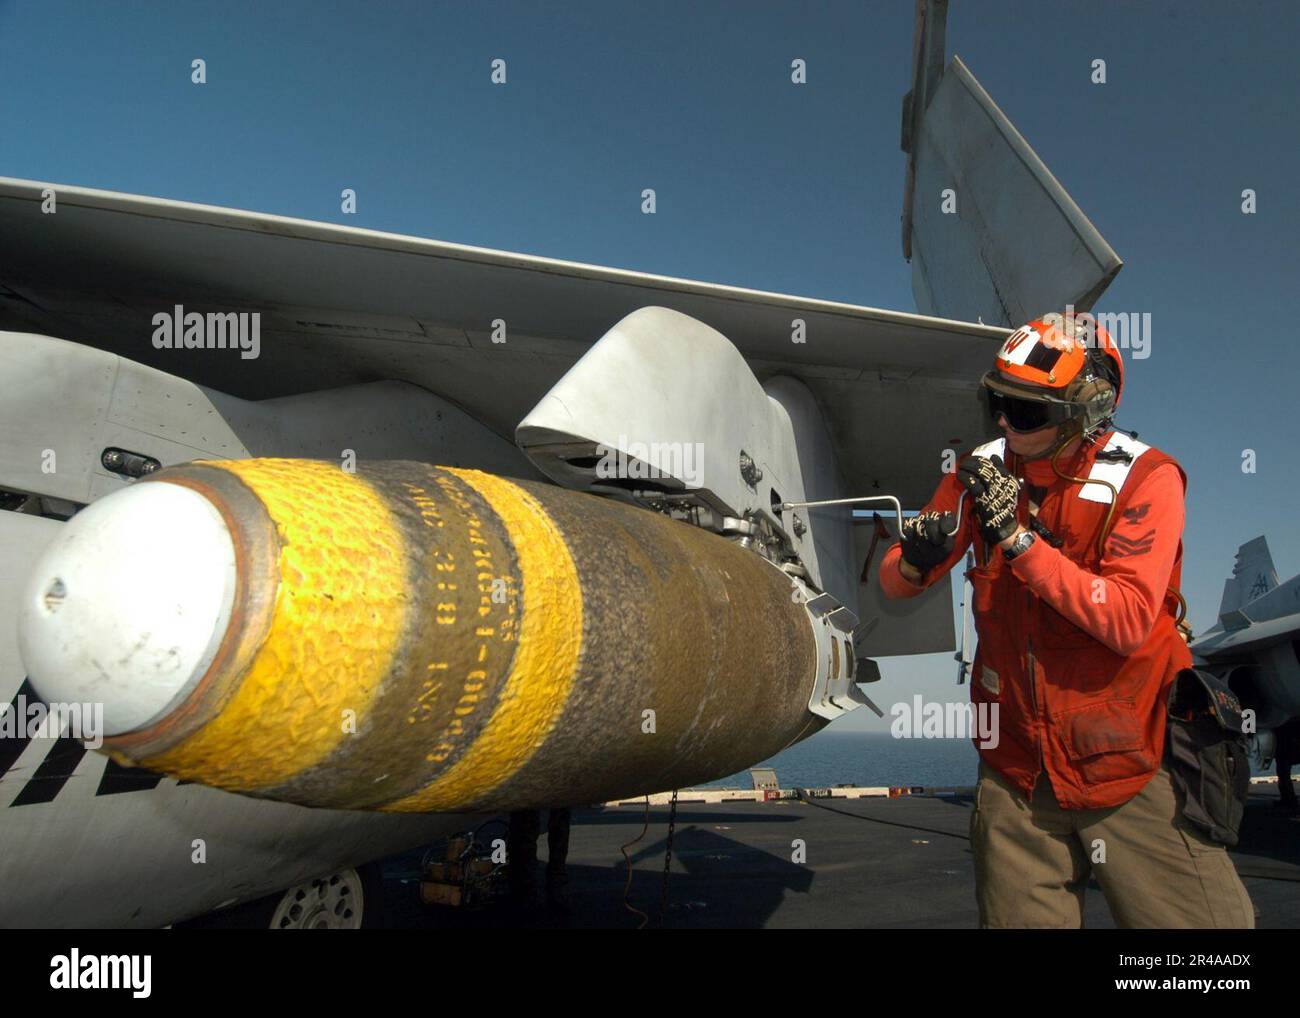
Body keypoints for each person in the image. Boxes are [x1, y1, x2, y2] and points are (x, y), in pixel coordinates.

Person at [878, 311, 1254, 928]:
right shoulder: (982, 471)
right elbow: (894, 583)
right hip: (1016, 769)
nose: (1004, 422)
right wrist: (916, 560)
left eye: (1025, 412)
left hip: (1130, 764)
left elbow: (1127, 620)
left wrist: (1018, 541)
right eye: (996, 403)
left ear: (1089, 408)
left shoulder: (1146, 479)